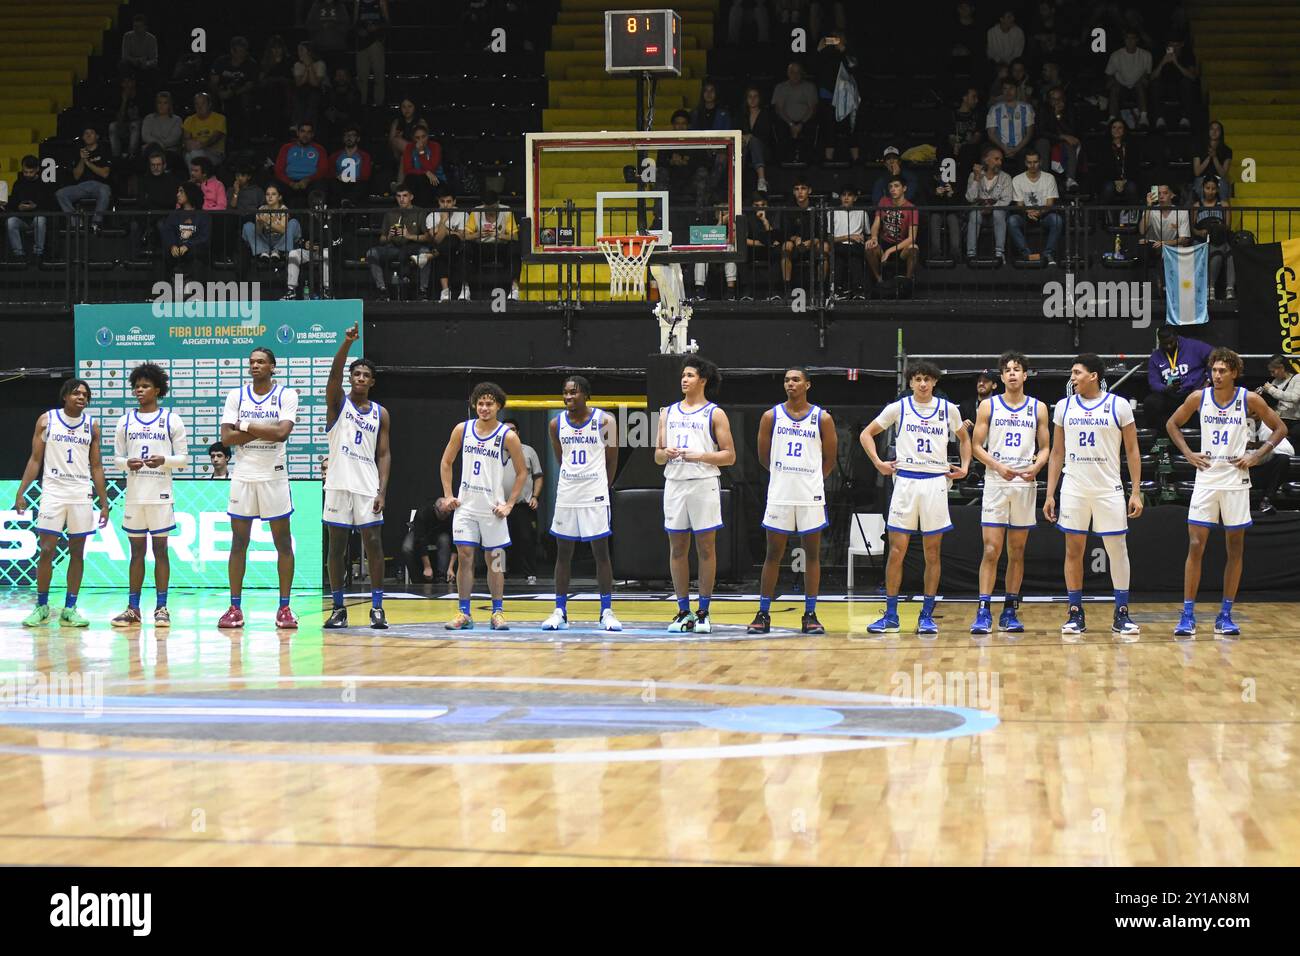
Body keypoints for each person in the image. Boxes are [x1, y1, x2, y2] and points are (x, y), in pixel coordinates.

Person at [1165, 348, 1286, 638]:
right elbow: (1172, 424)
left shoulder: (1249, 399)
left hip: (1235, 480)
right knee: (1195, 545)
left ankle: (1226, 614)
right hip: (1206, 478)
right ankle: (1188, 614)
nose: (1216, 375)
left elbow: (1279, 428)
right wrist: (1187, 454)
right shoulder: (1199, 397)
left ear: (1234, 373)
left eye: (1222, 371)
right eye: (1214, 370)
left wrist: (1257, 455)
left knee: (1235, 548)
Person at [860, 360, 971, 635]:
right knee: (897, 551)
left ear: (934, 382)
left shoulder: (948, 410)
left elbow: (965, 438)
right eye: (918, 379)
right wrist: (878, 463)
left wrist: (966, 467)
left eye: (927, 379)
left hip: (935, 482)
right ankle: (890, 615)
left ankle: (926, 615)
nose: (923, 383)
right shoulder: (899, 407)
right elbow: (866, 434)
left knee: (932, 553)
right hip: (906, 481)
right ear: (910, 382)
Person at [1043, 354, 1144, 637]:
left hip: (1108, 488)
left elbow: (1132, 450)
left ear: (1094, 376)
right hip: (1074, 487)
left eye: (1077, 372)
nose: (1072, 377)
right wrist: (1050, 493)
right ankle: (1075, 612)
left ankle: (1121, 613)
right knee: (1073, 550)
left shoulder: (1119, 405)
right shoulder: (1064, 406)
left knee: (1117, 551)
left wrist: (1135, 491)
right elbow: (1057, 452)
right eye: (1072, 373)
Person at [13, 379, 110, 627]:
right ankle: (42, 605)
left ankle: (70, 607)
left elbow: (97, 466)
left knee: (77, 552)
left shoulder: (91, 426)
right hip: (53, 491)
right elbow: (35, 459)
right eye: (77, 393)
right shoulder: (47, 420)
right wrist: (21, 491)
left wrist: (104, 502)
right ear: (65, 396)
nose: (81, 397)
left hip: (80, 492)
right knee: (46, 550)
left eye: (85, 395)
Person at [748, 367, 837, 635]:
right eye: (787, 380)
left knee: (812, 554)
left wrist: (810, 480)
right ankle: (763, 613)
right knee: (773, 554)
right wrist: (785, 476)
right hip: (780, 494)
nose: (790, 384)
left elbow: (830, 460)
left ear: (807, 384)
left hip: (810, 495)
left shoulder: (822, 418)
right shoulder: (770, 417)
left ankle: (810, 614)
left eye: (796, 379)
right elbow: (764, 458)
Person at [218, 348, 300, 629]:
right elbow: (227, 439)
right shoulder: (236, 395)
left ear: (273, 367)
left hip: (274, 476)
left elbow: (281, 434)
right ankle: (234, 607)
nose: (255, 365)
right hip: (243, 476)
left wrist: (245, 425)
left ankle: (285, 608)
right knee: (238, 543)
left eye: (261, 362)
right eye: (252, 362)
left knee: (283, 543)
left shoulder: (286, 395)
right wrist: (264, 427)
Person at [969, 352, 1050, 634]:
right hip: (997, 481)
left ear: (1025, 375)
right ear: (1001, 377)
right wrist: (997, 466)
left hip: (1024, 482)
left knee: (1017, 550)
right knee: (991, 549)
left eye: (1017, 369)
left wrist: (1037, 466)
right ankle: (983, 610)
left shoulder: (1038, 408)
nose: (1013, 373)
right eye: (1008, 370)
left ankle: (1010, 609)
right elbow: (976, 446)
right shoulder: (988, 406)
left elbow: (1046, 448)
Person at [656, 356, 737, 633]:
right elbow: (656, 456)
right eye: (683, 375)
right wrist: (663, 453)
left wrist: (700, 455)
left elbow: (730, 456)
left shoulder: (715, 413)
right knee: (677, 548)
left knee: (705, 548)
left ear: (702, 380)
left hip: (703, 483)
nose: (684, 379)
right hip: (675, 484)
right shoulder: (667, 412)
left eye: (690, 375)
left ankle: (703, 611)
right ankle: (682, 611)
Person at [439, 382, 528, 631]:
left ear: (498, 406)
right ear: (474, 405)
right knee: (465, 558)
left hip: (493, 509)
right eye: (480, 403)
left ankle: (497, 611)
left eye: (489, 403)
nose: (484, 407)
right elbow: (446, 462)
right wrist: (448, 495)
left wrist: (510, 504)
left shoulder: (507, 435)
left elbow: (522, 472)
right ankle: (464, 613)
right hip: (466, 507)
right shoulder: (462, 429)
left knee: (496, 560)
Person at [109, 363, 189, 628]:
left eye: (144, 386)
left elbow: (183, 459)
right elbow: (117, 458)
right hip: (134, 496)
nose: (139, 390)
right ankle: (133, 608)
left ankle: (162, 608)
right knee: (136, 553)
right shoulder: (125, 420)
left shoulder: (171, 419)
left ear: (157, 389)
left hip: (160, 495)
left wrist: (164, 460)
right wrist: (125, 464)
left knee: (161, 551)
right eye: (136, 386)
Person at [323, 323, 392, 630]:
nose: (360, 378)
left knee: (374, 544)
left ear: (372, 381)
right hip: (338, 483)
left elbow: (384, 454)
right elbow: (333, 376)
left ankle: (377, 608)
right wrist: (347, 343)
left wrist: (382, 491)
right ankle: (338, 608)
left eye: (366, 375)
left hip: (367, 484)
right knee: (336, 548)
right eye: (356, 374)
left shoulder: (381, 413)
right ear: (350, 378)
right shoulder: (338, 403)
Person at [541, 376, 623, 631]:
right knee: (563, 553)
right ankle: (560, 610)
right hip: (568, 493)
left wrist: (603, 488)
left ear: (586, 394)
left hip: (594, 493)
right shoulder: (556, 425)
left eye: (573, 392)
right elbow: (560, 458)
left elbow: (612, 460)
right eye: (565, 393)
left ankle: (606, 611)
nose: (568, 397)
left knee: (601, 552)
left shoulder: (606, 421)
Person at [1144, 324, 1212, 434]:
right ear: (1160, 341)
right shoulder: (1156, 357)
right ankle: (1166, 436)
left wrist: (1208, 381)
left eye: (1171, 342)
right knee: (1151, 403)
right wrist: (1166, 388)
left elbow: (1214, 355)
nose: (1169, 346)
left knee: (1203, 399)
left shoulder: (1193, 346)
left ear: (1176, 337)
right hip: (1170, 394)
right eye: (1165, 344)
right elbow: (1153, 382)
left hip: (1192, 393)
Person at [500, 417, 543, 583]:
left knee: (527, 539)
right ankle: (500, 573)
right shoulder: (495, 451)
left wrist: (535, 496)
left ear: (518, 432)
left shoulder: (528, 451)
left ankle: (530, 574)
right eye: (505, 430)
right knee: (500, 541)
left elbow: (538, 476)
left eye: (512, 429)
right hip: (500, 506)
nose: (509, 432)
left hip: (522, 505)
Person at [366, 186, 424, 300]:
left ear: (411, 197)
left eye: (405, 196)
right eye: (399, 196)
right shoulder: (390, 213)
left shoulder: (419, 212)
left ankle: (423, 291)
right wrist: (389, 237)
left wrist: (410, 236)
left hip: (413, 247)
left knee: (426, 252)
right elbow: (382, 239)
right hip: (393, 247)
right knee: (371, 253)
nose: (402, 199)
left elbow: (428, 237)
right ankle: (382, 289)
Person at [1007, 148, 1062, 264]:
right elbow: (1019, 205)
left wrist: (1039, 212)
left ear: (1040, 162)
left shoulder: (1049, 178)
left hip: (1044, 215)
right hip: (1025, 215)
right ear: (1025, 163)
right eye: (1029, 162)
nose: (1032, 165)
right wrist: (1028, 212)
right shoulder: (1017, 179)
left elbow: (1050, 204)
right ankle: (1027, 255)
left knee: (1057, 220)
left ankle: (1048, 254)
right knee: (1012, 221)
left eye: (1035, 162)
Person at [55, 127, 112, 233]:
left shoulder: (104, 150)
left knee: (105, 190)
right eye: (86, 133)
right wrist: (82, 159)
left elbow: (105, 173)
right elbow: (76, 176)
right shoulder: (79, 153)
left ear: (97, 136)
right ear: (82, 137)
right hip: (82, 186)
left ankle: (96, 223)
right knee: (60, 194)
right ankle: (77, 223)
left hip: (99, 185)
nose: (88, 135)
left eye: (91, 133)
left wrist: (88, 163)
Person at [866, 175, 918, 284]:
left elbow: (911, 238)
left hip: (901, 246)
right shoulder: (884, 201)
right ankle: (879, 280)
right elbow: (876, 223)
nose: (893, 189)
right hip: (884, 243)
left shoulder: (911, 208)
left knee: (913, 247)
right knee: (870, 247)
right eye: (890, 187)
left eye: (896, 186)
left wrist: (890, 251)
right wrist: (874, 237)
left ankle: (907, 282)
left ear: (904, 188)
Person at [1140, 184, 1192, 291]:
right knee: (1144, 248)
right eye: (1158, 193)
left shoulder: (1181, 211)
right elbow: (1142, 230)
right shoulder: (1151, 210)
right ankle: (1145, 289)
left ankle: (1168, 287)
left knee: (1176, 250)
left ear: (1172, 195)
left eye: (1165, 193)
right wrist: (1149, 206)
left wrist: (1165, 243)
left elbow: (1184, 239)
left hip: (1172, 246)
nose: (1161, 196)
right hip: (1154, 245)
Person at [965, 145, 1013, 261]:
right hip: (980, 212)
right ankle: (971, 254)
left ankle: (999, 254)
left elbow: (1006, 200)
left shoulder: (1005, 177)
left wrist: (992, 207)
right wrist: (977, 179)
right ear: (986, 160)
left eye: (1001, 159)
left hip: (996, 214)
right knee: (974, 215)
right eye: (996, 159)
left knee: (998, 213)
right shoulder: (974, 175)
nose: (1000, 162)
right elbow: (970, 198)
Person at [419, 192, 468, 300]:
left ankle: (429, 256)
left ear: (454, 202)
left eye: (449, 201)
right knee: (443, 249)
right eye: (442, 202)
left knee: (453, 240)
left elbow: (461, 236)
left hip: (459, 248)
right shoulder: (432, 215)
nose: (445, 205)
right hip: (442, 248)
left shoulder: (462, 214)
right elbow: (437, 239)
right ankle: (446, 291)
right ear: (438, 202)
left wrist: (443, 230)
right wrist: (443, 220)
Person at [5, 155, 54, 263]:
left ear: (37, 169)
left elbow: (50, 204)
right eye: (25, 172)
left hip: (36, 218)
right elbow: (12, 202)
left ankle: (38, 253)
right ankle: (18, 255)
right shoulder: (18, 184)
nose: (27, 174)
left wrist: (35, 206)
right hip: (22, 219)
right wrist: (18, 206)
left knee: (40, 220)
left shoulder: (44, 185)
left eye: (30, 172)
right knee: (11, 222)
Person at [1191, 175, 1233, 299]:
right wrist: (1200, 232)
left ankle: (1230, 288)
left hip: (1219, 238)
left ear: (1218, 189)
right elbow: (1192, 227)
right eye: (1207, 188)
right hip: (1201, 240)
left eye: (1213, 188)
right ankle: (1211, 288)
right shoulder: (1197, 206)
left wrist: (1218, 229)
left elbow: (1228, 226)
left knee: (1230, 254)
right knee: (1216, 253)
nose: (1210, 191)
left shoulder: (1224, 204)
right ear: (1203, 188)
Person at [771, 61, 819, 163]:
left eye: (798, 72)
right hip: (786, 121)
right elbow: (778, 109)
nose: (795, 75)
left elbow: (812, 108)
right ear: (788, 73)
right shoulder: (780, 87)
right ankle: (785, 160)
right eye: (792, 72)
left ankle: (807, 161)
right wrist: (791, 124)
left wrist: (801, 123)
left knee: (812, 128)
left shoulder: (810, 87)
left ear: (802, 73)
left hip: (806, 121)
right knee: (779, 128)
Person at [1035, 86, 1082, 191]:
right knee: (1043, 143)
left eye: (1059, 99)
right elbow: (1041, 131)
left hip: (1063, 141)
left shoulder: (1069, 109)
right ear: (1048, 100)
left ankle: (1070, 180)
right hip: (1047, 139)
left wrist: (1058, 116)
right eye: (1053, 99)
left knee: (1070, 143)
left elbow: (1072, 131)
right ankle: (1044, 179)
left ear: (1063, 99)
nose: (1056, 102)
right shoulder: (1043, 108)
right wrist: (1061, 136)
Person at [159, 181, 210, 278]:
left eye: (181, 192)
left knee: (197, 258)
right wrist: (172, 245)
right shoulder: (174, 214)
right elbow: (168, 232)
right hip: (177, 253)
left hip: (195, 254)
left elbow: (205, 238)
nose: (177, 194)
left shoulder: (203, 216)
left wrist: (188, 246)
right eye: (178, 192)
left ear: (190, 194)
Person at [986, 78, 1035, 174]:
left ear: (1017, 89)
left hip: (1021, 147)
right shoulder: (995, 109)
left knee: (1026, 155)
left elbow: (1029, 133)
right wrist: (1004, 148)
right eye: (1005, 88)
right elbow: (991, 134)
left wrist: (1016, 149)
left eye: (1011, 88)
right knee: (992, 153)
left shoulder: (1026, 108)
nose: (1008, 92)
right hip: (1000, 147)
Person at [825, 184, 867, 297]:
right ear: (840, 197)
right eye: (843, 195)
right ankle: (836, 291)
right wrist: (849, 237)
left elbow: (867, 234)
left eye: (850, 195)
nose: (846, 198)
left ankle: (858, 291)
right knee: (838, 258)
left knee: (855, 258)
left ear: (855, 198)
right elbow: (830, 238)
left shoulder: (862, 213)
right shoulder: (832, 212)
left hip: (855, 246)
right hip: (838, 245)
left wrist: (863, 239)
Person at [1105, 29, 1152, 127]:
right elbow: (1109, 74)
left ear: (1137, 40)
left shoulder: (1146, 55)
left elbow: (1147, 74)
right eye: (1127, 38)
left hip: (1137, 86)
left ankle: (1143, 118)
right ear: (1124, 40)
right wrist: (1112, 82)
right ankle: (1112, 119)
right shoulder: (1116, 55)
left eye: (1133, 38)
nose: (1130, 41)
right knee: (1114, 87)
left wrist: (1144, 80)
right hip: (1121, 85)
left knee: (1140, 85)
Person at [1150, 34, 1198, 130]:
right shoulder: (1160, 54)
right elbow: (1152, 77)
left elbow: (1193, 77)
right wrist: (1163, 62)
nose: (1174, 48)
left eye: (1176, 45)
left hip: (1181, 88)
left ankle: (1185, 118)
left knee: (1187, 83)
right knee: (1155, 84)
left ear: (1182, 45)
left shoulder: (1187, 55)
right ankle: (1159, 119)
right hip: (1165, 88)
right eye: (1171, 45)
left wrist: (1176, 63)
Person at [403, 497, 455, 584]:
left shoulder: (452, 514)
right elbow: (420, 539)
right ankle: (416, 581)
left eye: (447, 513)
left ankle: (442, 577)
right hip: (420, 532)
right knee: (407, 547)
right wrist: (427, 567)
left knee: (444, 540)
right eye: (443, 513)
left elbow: (456, 542)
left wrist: (451, 567)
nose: (445, 516)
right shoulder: (423, 512)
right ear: (435, 509)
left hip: (441, 534)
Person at [242, 185, 301, 260]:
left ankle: (279, 250)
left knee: (293, 222)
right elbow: (258, 232)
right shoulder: (261, 209)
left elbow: (283, 230)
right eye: (267, 194)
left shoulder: (283, 209)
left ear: (279, 197)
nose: (270, 197)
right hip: (265, 239)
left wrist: (268, 221)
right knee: (248, 226)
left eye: (273, 194)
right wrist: (260, 223)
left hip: (280, 239)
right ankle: (263, 251)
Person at [1257, 354, 1300, 447]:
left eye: (1273, 371)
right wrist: (1262, 393)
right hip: (1279, 418)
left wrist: (1271, 390)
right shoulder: (1275, 381)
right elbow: (1274, 401)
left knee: (1295, 432)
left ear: (1282, 368)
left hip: (1294, 420)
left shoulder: (1297, 378)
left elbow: (1294, 398)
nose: (1272, 374)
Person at [354, 0, 390, 107]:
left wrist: (377, 27)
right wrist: (359, 30)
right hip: (361, 44)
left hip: (376, 42)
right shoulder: (358, 2)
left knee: (379, 77)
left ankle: (379, 105)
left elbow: (388, 23)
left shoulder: (381, 1)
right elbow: (354, 23)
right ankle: (362, 105)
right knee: (362, 78)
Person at [329, 124, 372, 207]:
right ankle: (345, 202)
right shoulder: (335, 156)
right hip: (340, 184)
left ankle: (347, 201)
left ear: (358, 138)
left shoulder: (364, 156)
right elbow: (330, 172)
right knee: (332, 183)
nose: (349, 137)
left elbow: (366, 175)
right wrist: (337, 176)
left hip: (357, 184)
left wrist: (351, 178)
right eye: (346, 135)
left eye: (352, 135)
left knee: (364, 184)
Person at [141, 91, 185, 172]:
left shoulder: (177, 120)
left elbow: (174, 139)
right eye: (159, 103)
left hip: (169, 151)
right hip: (150, 150)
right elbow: (145, 136)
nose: (161, 106)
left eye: (165, 103)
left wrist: (159, 145)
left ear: (169, 105)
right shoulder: (149, 118)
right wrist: (158, 144)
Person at [182, 92, 226, 167]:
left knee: (193, 155)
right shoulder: (189, 120)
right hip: (195, 151)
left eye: (203, 103)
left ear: (209, 105)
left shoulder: (220, 118)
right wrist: (188, 145)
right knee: (190, 155)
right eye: (197, 104)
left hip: (215, 152)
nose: (200, 107)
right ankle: (200, 178)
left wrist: (201, 145)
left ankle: (196, 178)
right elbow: (186, 139)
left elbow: (215, 139)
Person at [1192, 120, 1232, 201]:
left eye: (1217, 129)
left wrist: (1215, 157)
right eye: (1212, 129)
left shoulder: (1227, 150)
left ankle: (1223, 211)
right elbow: (1197, 172)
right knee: (1198, 185)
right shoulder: (1199, 147)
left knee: (1224, 185)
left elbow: (1223, 173)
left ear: (1221, 132)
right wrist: (1209, 157)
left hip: (1219, 179)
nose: (1214, 132)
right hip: (1202, 178)